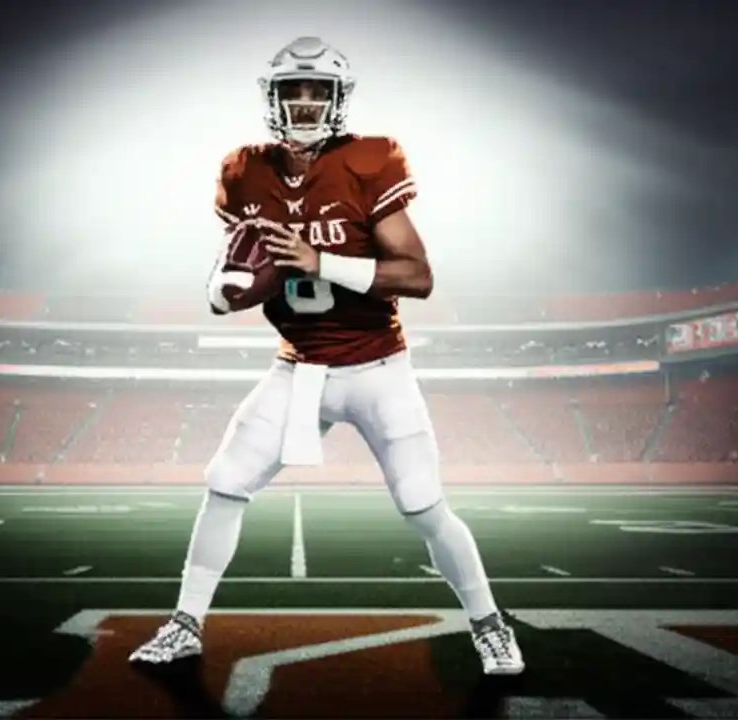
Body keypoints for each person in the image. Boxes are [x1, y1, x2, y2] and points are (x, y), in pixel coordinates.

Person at [129, 36, 524, 676]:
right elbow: (237, 268)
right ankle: (185, 624)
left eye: (318, 90)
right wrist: (224, 292)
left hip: (376, 368)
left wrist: (322, 262)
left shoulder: (370, 160)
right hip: (299, 368)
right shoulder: (243, 172)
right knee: (225, 482)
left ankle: (490, 624)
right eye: (293, 90)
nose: (306, 101)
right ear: (273, 97)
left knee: (425, 504)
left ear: (339, 99)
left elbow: (417, 276)